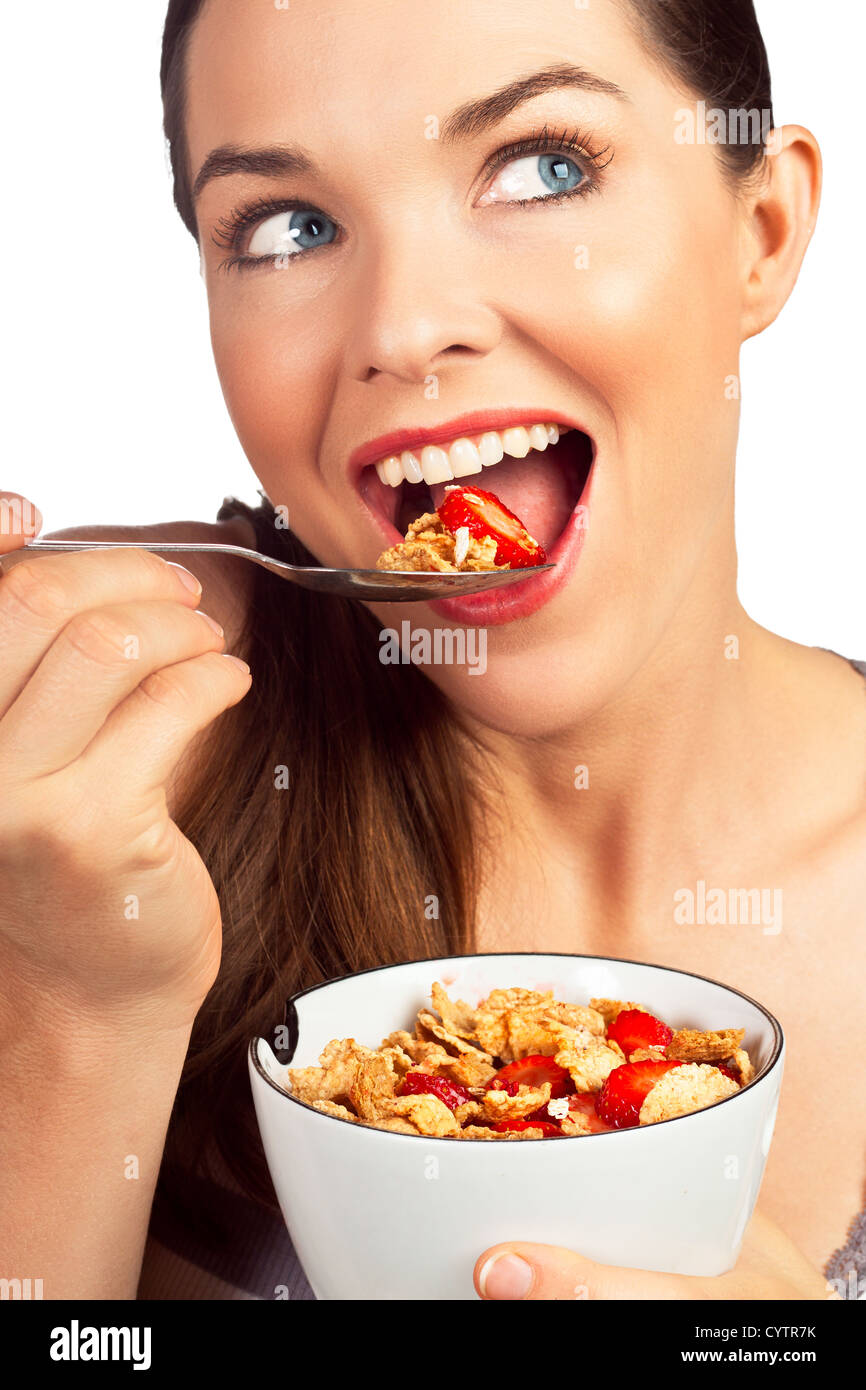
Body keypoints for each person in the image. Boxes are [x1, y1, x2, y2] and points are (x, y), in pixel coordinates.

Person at [1, 0, 862, 1301]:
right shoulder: (114, 759)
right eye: (289, 226)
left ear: (761, 230)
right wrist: (73, 1012)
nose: (402, 328)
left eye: (541, 166)